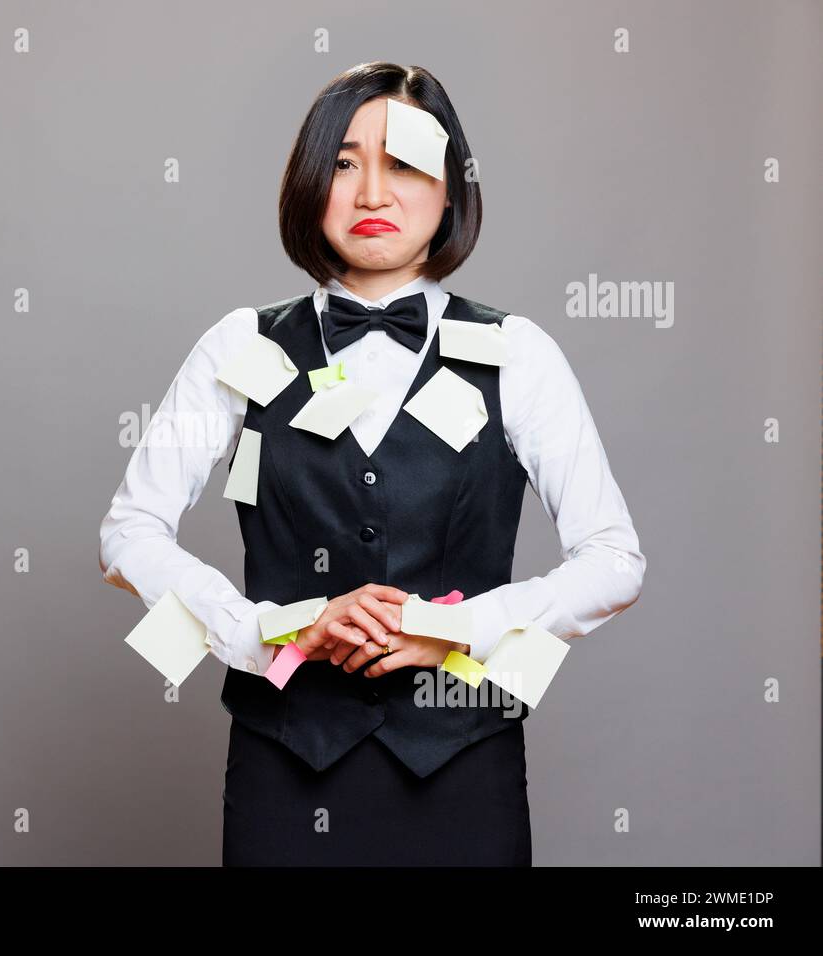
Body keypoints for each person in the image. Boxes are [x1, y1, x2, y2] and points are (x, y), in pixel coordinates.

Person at [98, 62, 645, 866]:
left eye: (405, 165)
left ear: (451, 189)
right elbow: (128, 535)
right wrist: (270, 629)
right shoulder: (240, 345)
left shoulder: (519, 354)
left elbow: (615, 561)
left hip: (463, 768)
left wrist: (453, 629)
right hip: (283, 766)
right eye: (346, 163)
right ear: (310, 183)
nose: (373, 194)